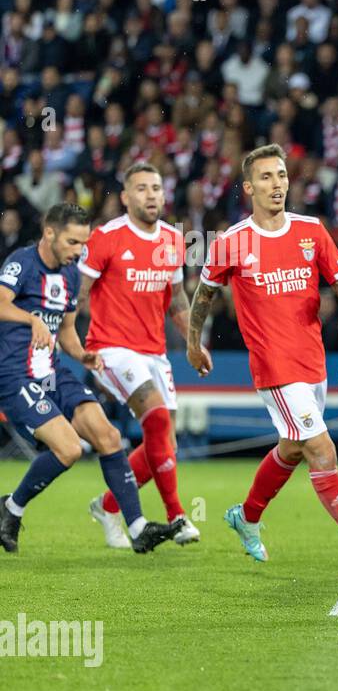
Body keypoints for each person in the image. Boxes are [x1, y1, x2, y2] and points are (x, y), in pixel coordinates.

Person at [187, 144, 338, 574]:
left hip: (313, 362)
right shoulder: (231, 242)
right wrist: (195, 343)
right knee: (322, 450)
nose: (277, 185)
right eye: (267, 177)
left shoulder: (311, 230)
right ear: (249, 187)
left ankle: (247, 517)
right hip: (273, 366)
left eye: (283, 176)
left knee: (291, 447)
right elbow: (204, 295)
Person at [0, 203, 181, 553]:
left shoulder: (70, 274)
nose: (78, 252)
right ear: (49, 233)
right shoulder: (21, 263)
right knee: (69, 448)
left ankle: (139, 527)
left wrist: (82, 354)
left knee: (108, 435)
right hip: (14, 374)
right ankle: (12, 507)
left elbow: (66, 330)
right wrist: (32, 319)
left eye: (83, 244)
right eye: (71, 242)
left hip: (51, 370)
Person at [79, 162, 200, 547]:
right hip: (111, 348)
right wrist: (67, 339)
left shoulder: (172, 239)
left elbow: (178, 299)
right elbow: (79, 294)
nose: (151, 195)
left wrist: (193, 342)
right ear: (126, 197)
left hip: (155, 352)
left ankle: (108, 504)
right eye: (142, 188)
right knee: (158, 417)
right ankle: (177, 516)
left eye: (157, 188)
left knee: (164, 443)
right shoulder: (105, 237)